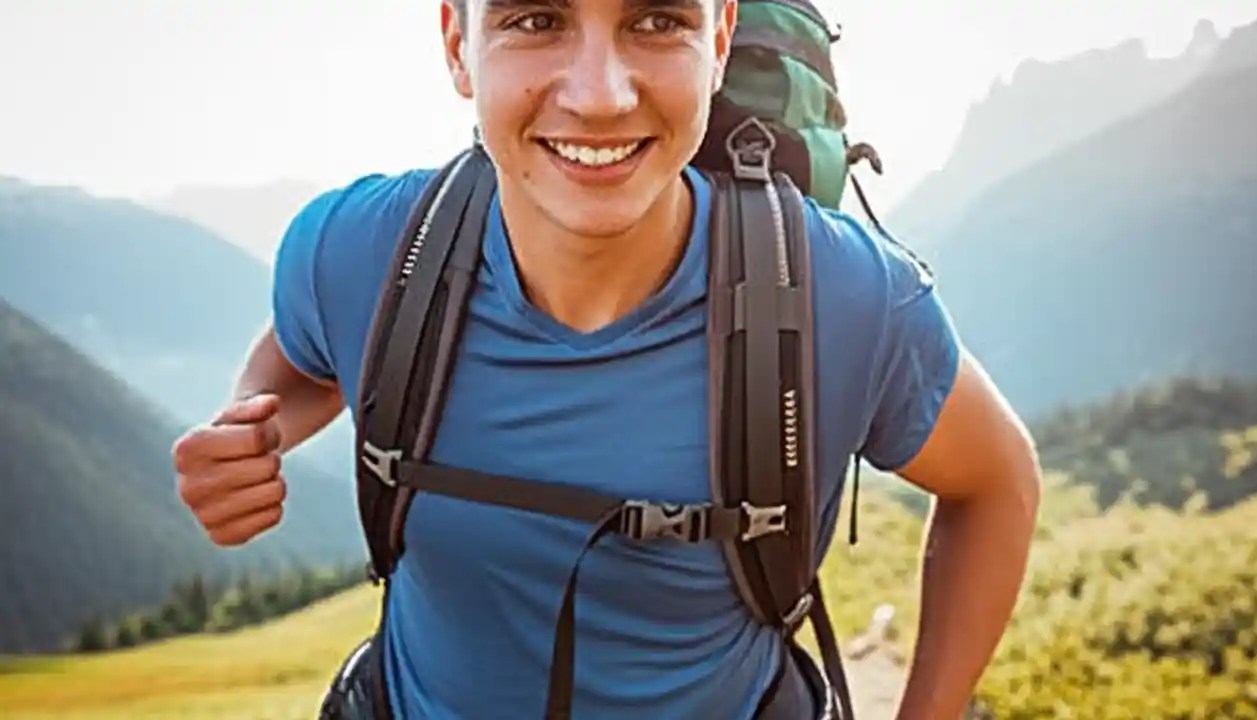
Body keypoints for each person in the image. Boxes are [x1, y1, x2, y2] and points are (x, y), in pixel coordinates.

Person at [171, 1, 1042, 718]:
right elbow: (303, 354)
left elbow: (996, 480)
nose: (599, 95)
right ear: (457, 44)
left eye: (657, 21)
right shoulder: (358, 251)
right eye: (535, 19)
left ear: (720, 38)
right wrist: (250, 427)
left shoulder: (843, 299)